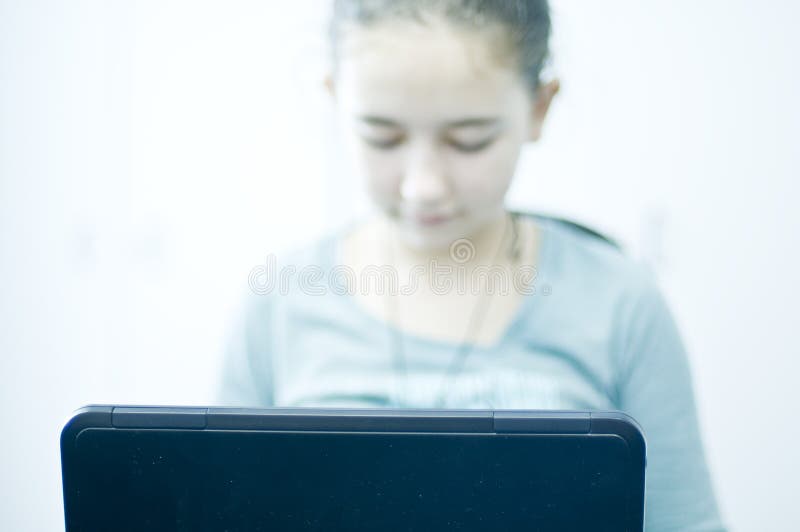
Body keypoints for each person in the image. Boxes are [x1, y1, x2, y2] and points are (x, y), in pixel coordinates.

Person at [218, 1, 726, 529]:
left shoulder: (620, 302)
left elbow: (681, 518)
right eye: (381, 137)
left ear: (538, 109)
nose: (423, 186)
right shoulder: (279, 304)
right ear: (334, 100)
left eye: (470, 141)